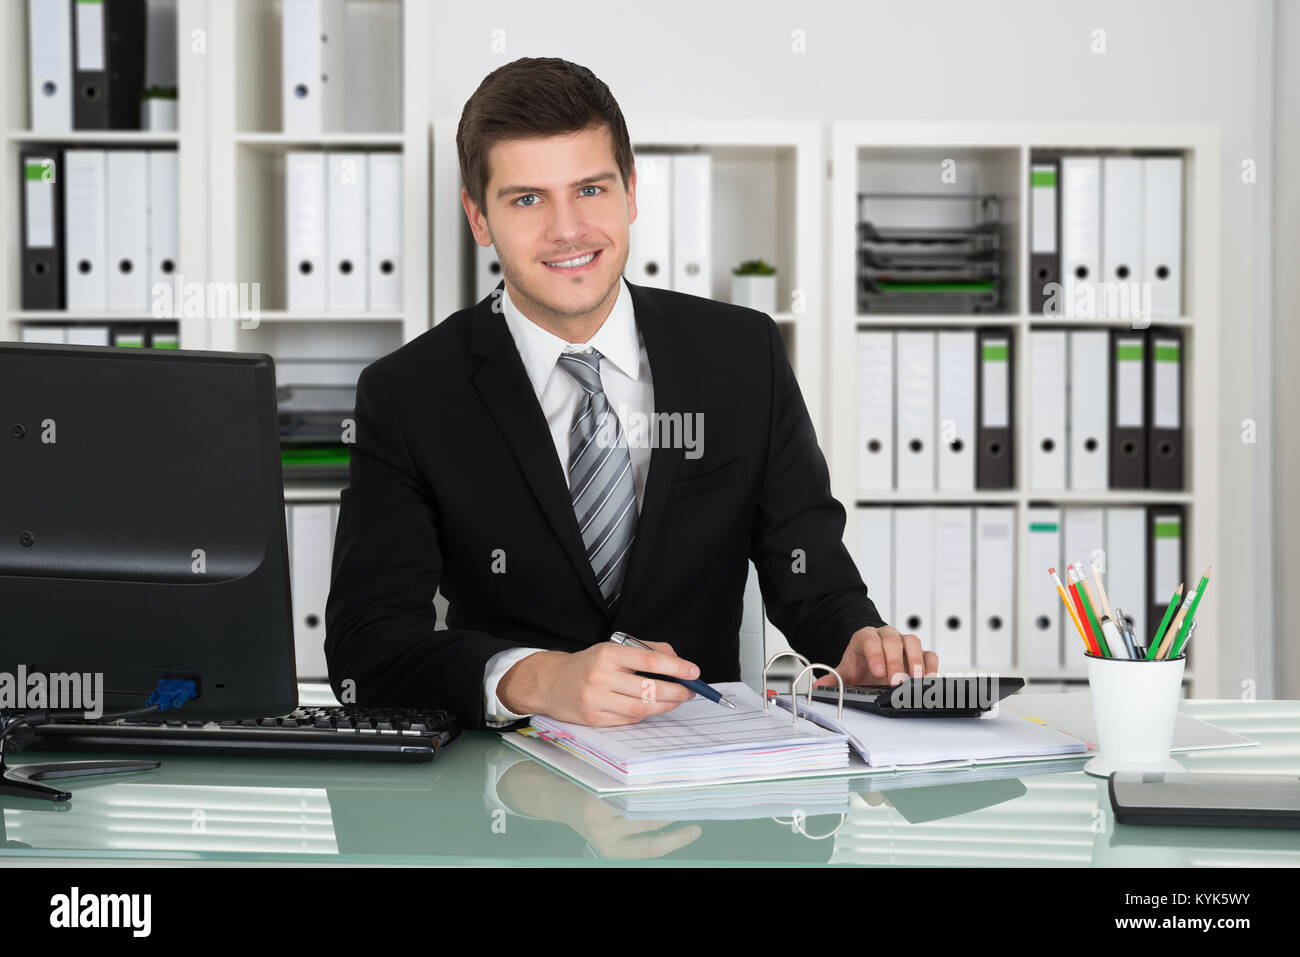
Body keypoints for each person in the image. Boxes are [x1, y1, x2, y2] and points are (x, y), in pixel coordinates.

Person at [325, 56, 938, 731]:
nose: (567, 230)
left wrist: (857, 640)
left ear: (631, 193)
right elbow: (367, 645)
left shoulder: (741, 354)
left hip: (709, 772)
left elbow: (812, 576)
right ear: (479, 217)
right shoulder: (409, 394)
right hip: (511, 786)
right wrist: (533, 678)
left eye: (590, 189)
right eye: (527, 198)